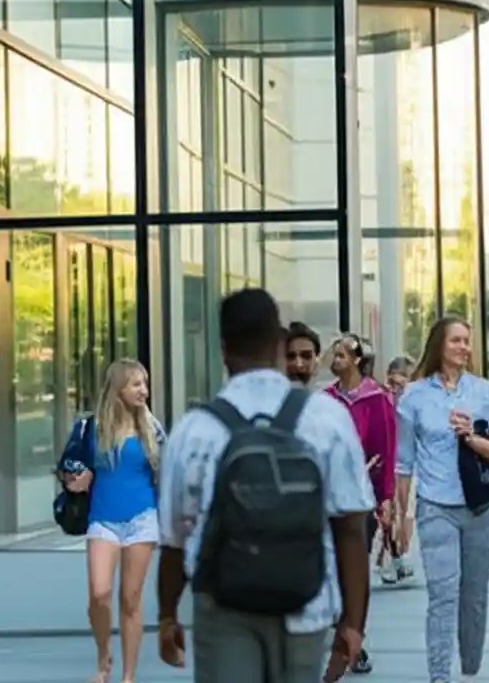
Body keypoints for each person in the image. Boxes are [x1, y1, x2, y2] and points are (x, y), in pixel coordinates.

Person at [155, 289, 375, 683]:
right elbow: (351, 528)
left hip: (224, 606)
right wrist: (353, 623)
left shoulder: (194, 430)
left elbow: (175, 538)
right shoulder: (326, 419)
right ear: (278, 344)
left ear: (224, 349)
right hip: (306, 604)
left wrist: (168, 613)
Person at [396, 316, 489, 683]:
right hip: (436, 507)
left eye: (468, 341)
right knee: (442, 595)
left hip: (483, 508)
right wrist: (402, 516)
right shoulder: (413, 396)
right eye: (456, 341)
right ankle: (439, 676)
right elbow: (404, 463)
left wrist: (472, 436)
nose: (464, 347)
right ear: (439, 346)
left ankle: (470, 667)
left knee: (473, 593)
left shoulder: (484, 392)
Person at [58, 359, 164, 683]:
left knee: (131, 599)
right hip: (103, 520)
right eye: (136, 384)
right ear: (118, 388)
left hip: (142, 519)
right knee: (99, 594)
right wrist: (74, 478)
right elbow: (67, 466)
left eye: (144, 384)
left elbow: (168, 474)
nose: (143, 390)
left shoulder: (152, 428)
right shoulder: (91, 428)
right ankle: (104, 657)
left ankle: (127, 677)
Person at [327, 334, 397, 674]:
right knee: (331, 568)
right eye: (334, 354)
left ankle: (354, 639)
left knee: (354, 570)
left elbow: (386, 448)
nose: (335, 359)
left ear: (356, 360)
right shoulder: (325, 398)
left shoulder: (377, 399)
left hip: (361, 499)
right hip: (327, 497)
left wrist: (385, 497)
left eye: (341, 355)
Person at [381, 355, 417, 584]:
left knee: (406, 513)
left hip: (410, 466)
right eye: (392, 384)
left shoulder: (414, 404)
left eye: (401, 384)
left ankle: (403, 556)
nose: (396, 390)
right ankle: (394, 557)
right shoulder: (384, 402)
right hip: (388, 464)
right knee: (388, 515)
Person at [285, 321, 321, 388]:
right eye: (291, 356)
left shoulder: (326, 397)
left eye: (306, 356)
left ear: (317, 360)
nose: (298, 364)